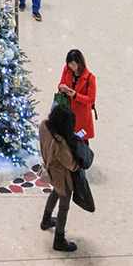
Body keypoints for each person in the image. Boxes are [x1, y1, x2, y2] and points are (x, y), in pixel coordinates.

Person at [38, 103, 82, 253]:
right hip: (62, 177)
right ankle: (59, 239)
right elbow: (71, 165)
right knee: (64, 206)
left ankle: (46, 220)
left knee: (55, 192)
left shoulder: (44, 126)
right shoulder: (60, 143)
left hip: (51, 171)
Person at [59, 48, 96, 138]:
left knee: (81, 146)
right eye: (69, 64)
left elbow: (91, 99)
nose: (71, 66)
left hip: (81, 116)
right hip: (67, 112)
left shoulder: (90, 78)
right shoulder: (67, 70)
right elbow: (61, 83)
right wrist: (61, 88)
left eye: (73, 64)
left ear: (80, 63)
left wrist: (75, 95)